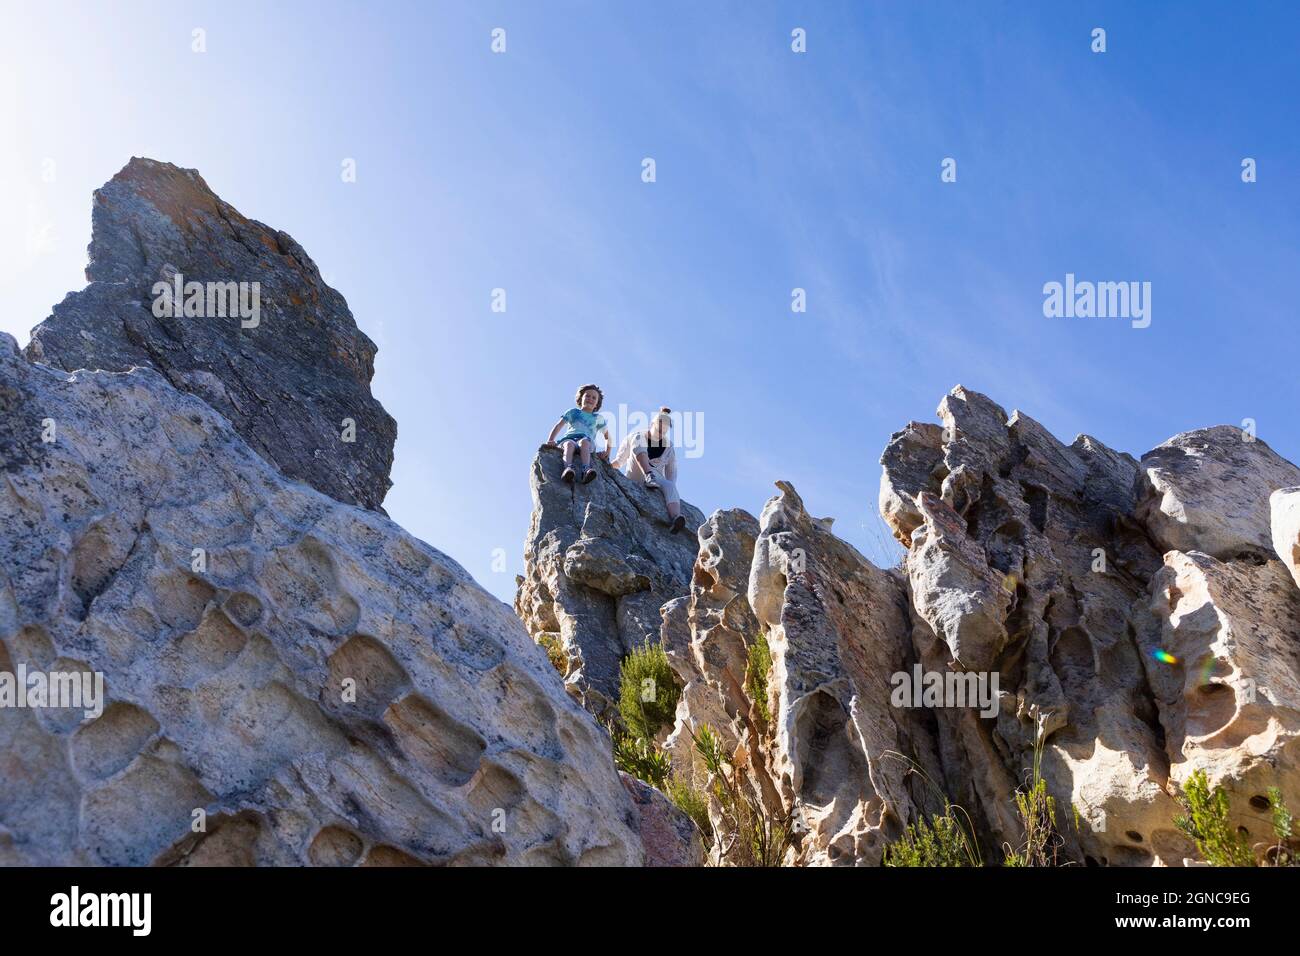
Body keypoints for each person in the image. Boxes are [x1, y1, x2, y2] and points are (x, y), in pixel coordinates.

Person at [613, 406, 686, 533]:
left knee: (669, 485)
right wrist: (605, 466)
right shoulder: (636, 436)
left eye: (666, 426)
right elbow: (619, 461)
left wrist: (670, 489)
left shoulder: (669, 446)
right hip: (636, 474)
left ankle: (675, 518)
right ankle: (648, 475)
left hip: (656, 477)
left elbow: (671, 471)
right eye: (660, 423)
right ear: (652, 423)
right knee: (639, 441)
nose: (662, 428)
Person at [546, 383, 611, 483]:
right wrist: (550, 440)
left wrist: (607, 452)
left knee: (584, 442)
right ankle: (568, 469)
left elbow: (607, 437)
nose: (590, 399)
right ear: (581, 398)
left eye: (594, 398)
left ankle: (586, 470)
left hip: (586, 441)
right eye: (587, 396)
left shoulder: (597, 418)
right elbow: (559, 425)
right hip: (570, 439)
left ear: (597, 403)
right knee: (568, 445)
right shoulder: (573, 412)